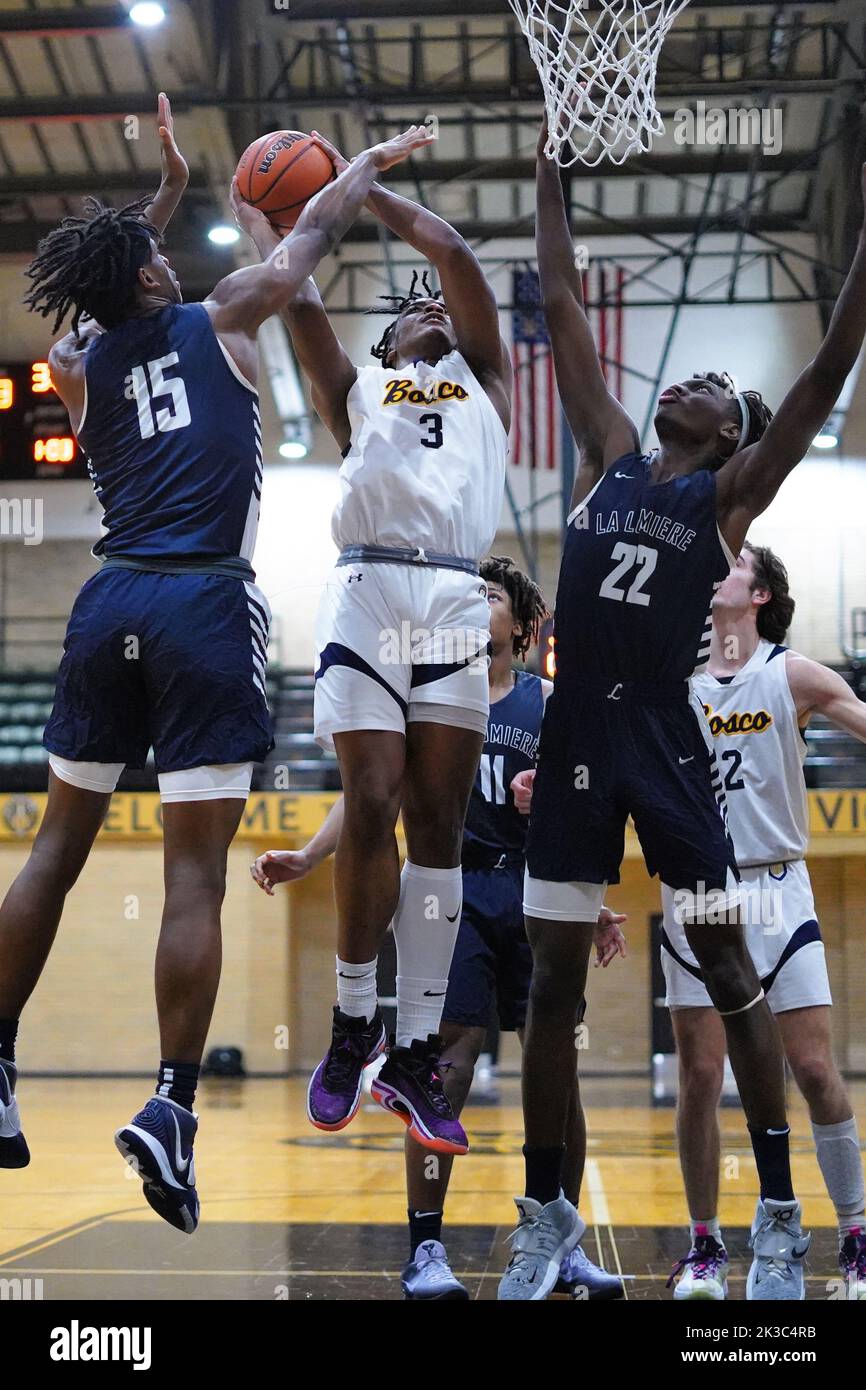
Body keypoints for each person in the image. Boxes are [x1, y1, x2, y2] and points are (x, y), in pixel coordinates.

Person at [0, 102, 432, 1234]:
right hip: (201, 603)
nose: (167, 257)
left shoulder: (74, 365)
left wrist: (158, 201)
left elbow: (101, 291)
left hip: (107, 604)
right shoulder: (225, 314)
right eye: (157, 252)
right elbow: (313, 235)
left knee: (55, 845)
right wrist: (365, 166)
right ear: (151, 281)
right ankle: (171, 1103)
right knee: (190, 876)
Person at [497, 120, 866, 1301]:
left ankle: (772, 1219)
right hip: (572, 736)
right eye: (689, 378)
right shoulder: (609, 450)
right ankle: (544, 1217)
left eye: (711, 387)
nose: (689, 381)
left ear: (726, 437)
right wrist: (548, 177)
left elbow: (822, 371)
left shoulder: (727, 494)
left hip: (660, 735)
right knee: (549, 989)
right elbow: (557, 303)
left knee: (724, 967)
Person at [242, 130, 512, 1157]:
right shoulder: (357, 390)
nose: (428, 312)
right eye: (408, 314)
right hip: (363, 586)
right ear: (388, 342)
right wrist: (289, 219)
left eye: (433, 309)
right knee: (372, 800)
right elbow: (297, 293)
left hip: (451, 596)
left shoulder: (483, 378)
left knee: (438, 825)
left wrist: (371, 186)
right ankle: (354, 1020)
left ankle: (410, 1049)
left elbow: (456, 256)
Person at [252, 556, 625, 1300]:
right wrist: (309, 854)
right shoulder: (433, 704)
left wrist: (588, 882)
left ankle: (559, 1235)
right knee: (441, 1064)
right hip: (453, 888)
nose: (475, 605)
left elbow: (592, 797)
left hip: (535, 887)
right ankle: (426, 1250)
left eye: (488, 596)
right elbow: (371, 797)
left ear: (519, 624)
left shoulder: (548, 703)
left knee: (557, 1073)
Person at [663, 543, 866, 1301]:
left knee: (813, 1069)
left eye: (738, 559)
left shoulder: (792, 673)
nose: (722, 562)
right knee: (700, 1075)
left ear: (761, 595)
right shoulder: (673, 683)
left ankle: (854, 1235)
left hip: (778, 887)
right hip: (699, 893)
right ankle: (707, 1246)